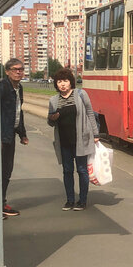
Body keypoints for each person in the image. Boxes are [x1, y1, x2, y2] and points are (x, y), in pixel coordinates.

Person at [47, 68, 99, 211]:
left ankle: (82, 200)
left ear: (71, 82)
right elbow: (50, 122)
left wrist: (95, 134)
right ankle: (70, 200)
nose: (62, 84)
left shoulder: (81, 94)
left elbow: (90, 113)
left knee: (82, 170)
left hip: (81, 140)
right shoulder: (53, 100)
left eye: (65, 81)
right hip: (64, 142)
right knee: (67, 171)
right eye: (59, 81)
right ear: (56, 84)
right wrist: (52, 118)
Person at [0, 58, 28, 218]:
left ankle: (1, 204)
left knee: (6, 171)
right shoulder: (1, 87)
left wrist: (22, 134)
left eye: (21, 69)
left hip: (9, 136)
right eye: (15, 69)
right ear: (7, 71)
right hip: (0, 138)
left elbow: (17, 112)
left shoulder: (19, 88)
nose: (18, 72)